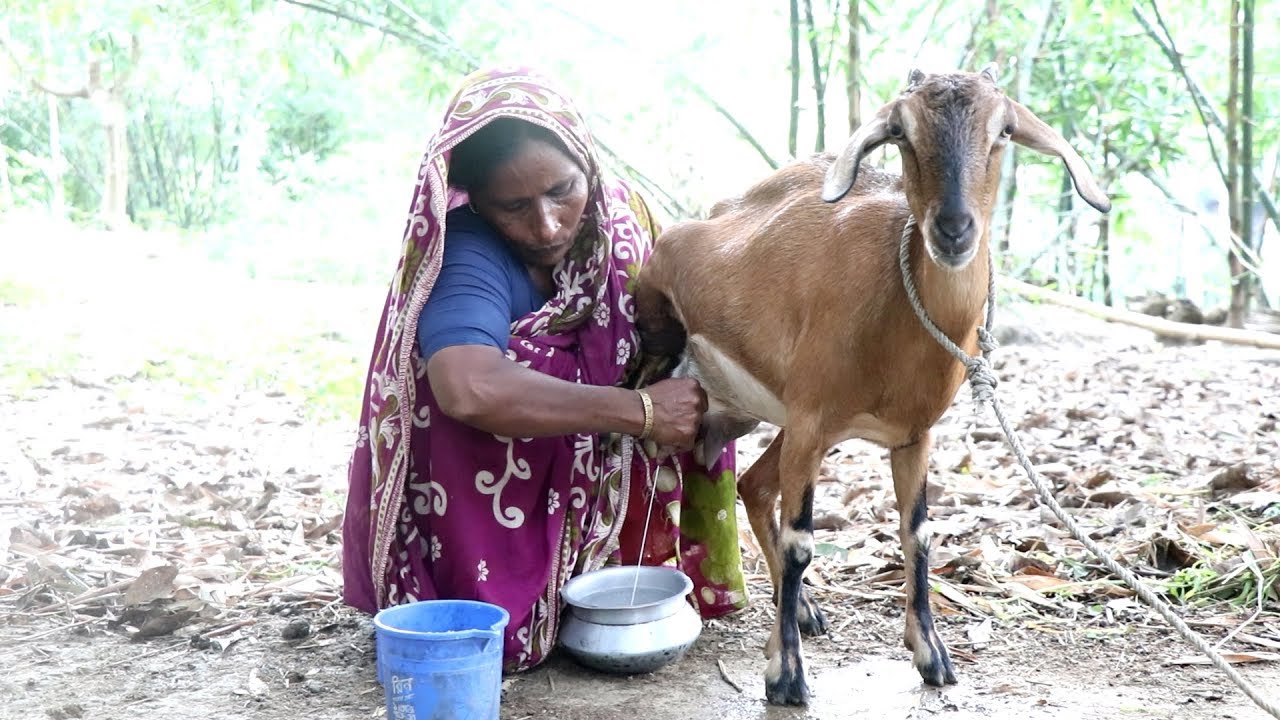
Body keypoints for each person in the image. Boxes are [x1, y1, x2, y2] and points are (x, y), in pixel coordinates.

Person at [341, 67, 747, 671]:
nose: (548, 224)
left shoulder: (624, 226)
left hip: (608, 499)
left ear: (589, 165)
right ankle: (515, 591)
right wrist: (639, 410)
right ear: (473, 198)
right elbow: (468, 386)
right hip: (490, 518)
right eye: (514, 206)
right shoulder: (466, 254)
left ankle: (608, 569)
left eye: (563, 190)